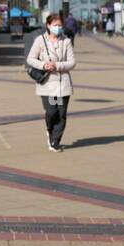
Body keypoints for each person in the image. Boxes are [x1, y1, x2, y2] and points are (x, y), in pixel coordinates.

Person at [26, 11, 76, 152]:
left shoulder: (66, 41)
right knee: (52, 112)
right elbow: (30, 59)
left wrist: (58, 65)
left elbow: (72, 63)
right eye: (55, 25)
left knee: (61, 114)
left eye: (60, 25)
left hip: (62, 85)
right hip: (48, 85)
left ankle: (55, 140)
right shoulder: (40, 41)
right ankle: (50, 130)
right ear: (48, 25)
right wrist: (43, 65)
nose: (58, 28)